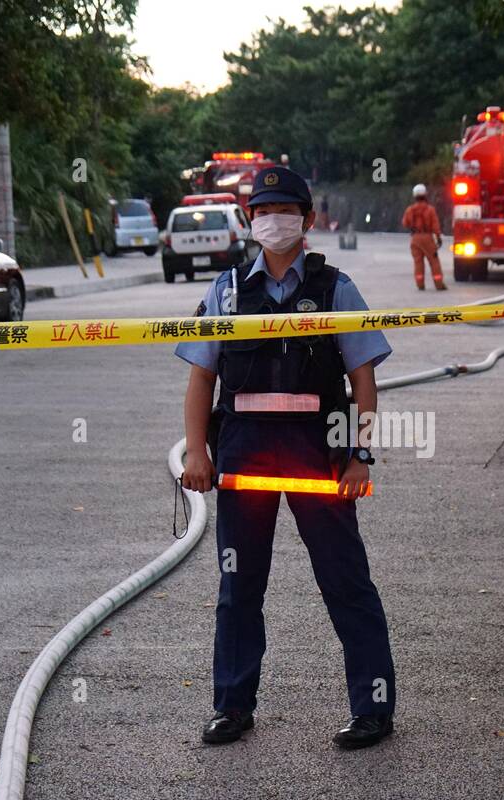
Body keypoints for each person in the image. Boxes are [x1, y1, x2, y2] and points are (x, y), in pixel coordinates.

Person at [175, 165, 398, 751]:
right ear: (251, 221)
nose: (273, 221)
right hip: (244, 452)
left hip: (318, 454)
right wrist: (197, 452)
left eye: (285, 211)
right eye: (263, 211)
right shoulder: (226, 291)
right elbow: (202, 378)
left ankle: (372, 710)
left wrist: (361, 455)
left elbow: (364, 381)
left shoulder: (335, 290)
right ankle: (232, 706)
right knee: (238, 585)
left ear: (308, 220)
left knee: (345, 581)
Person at [401, 183, 446, 291]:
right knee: (434, 261)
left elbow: (405, 223)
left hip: (415, 239)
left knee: (418, 262)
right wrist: (438, 238)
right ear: (425, 195)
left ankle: (420, 284)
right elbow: (435, 226)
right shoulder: (430, 210)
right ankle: (439, 284)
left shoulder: (410, 210)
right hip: (427, 238)